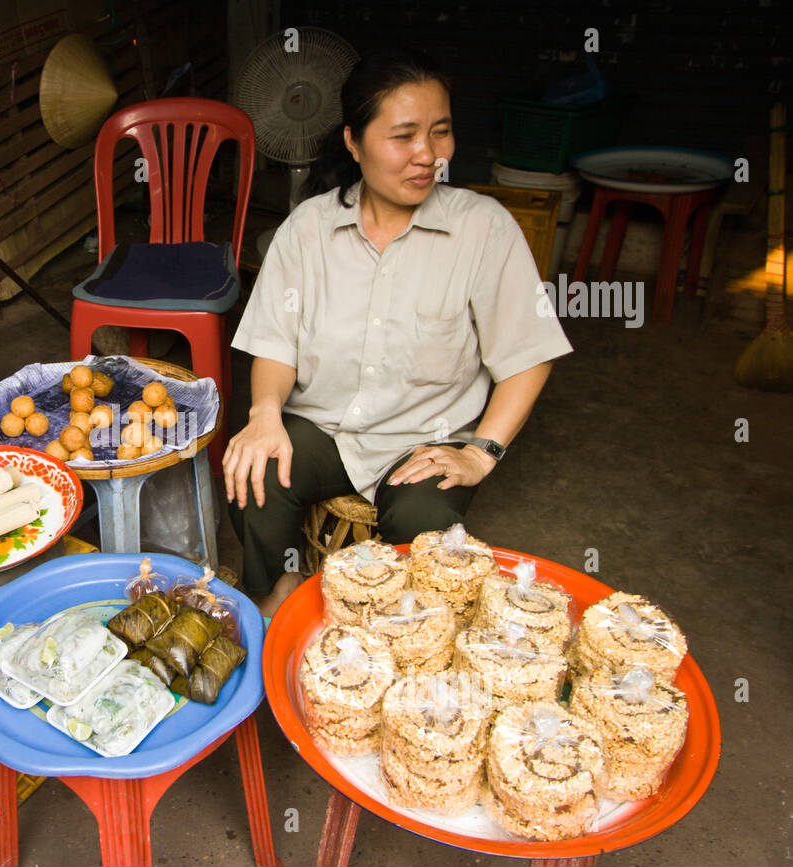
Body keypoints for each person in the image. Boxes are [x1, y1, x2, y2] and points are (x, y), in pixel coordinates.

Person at [225, 49, 573, 618]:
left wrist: (480, 453)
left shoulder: (482, 229)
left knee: (423, 523)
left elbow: (528, 353)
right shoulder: (308, 229)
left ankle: (394, 629)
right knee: (257, 467)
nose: (428, 156)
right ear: (354, 143)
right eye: (404, 136)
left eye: (441, 133)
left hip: (426, 436)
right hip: (326, 428)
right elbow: (273, 341)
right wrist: (265, 412)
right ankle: (277, 594)